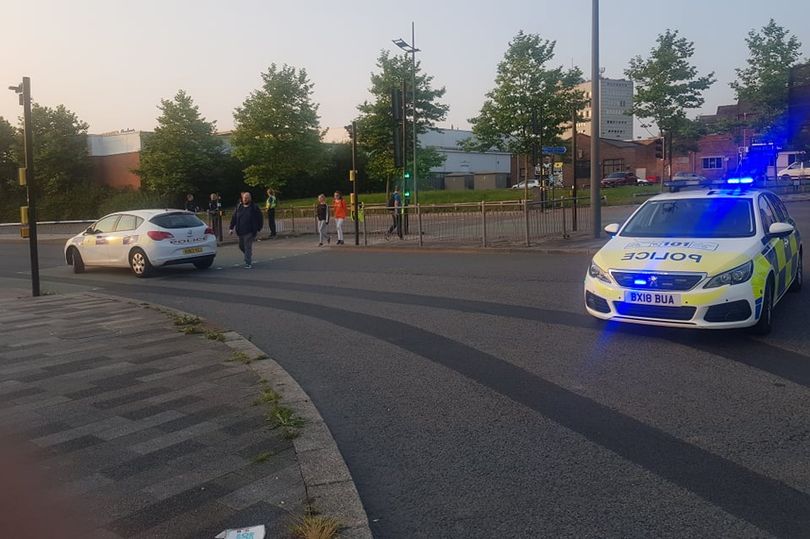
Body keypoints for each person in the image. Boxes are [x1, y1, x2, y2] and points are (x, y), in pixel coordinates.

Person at [229, 192, 263, 268]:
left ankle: (248, 262)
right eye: (244, 198)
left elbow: (260, 218)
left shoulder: (254, 207)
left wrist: (259, 227)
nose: (245, 199)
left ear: (250, 198)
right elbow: (234, 217)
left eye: (247, 198)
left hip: (250, 231)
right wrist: (231, 228)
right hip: (240, 230)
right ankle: (248, 254)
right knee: (241, 246)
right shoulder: (239, 207)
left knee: (247, 246)